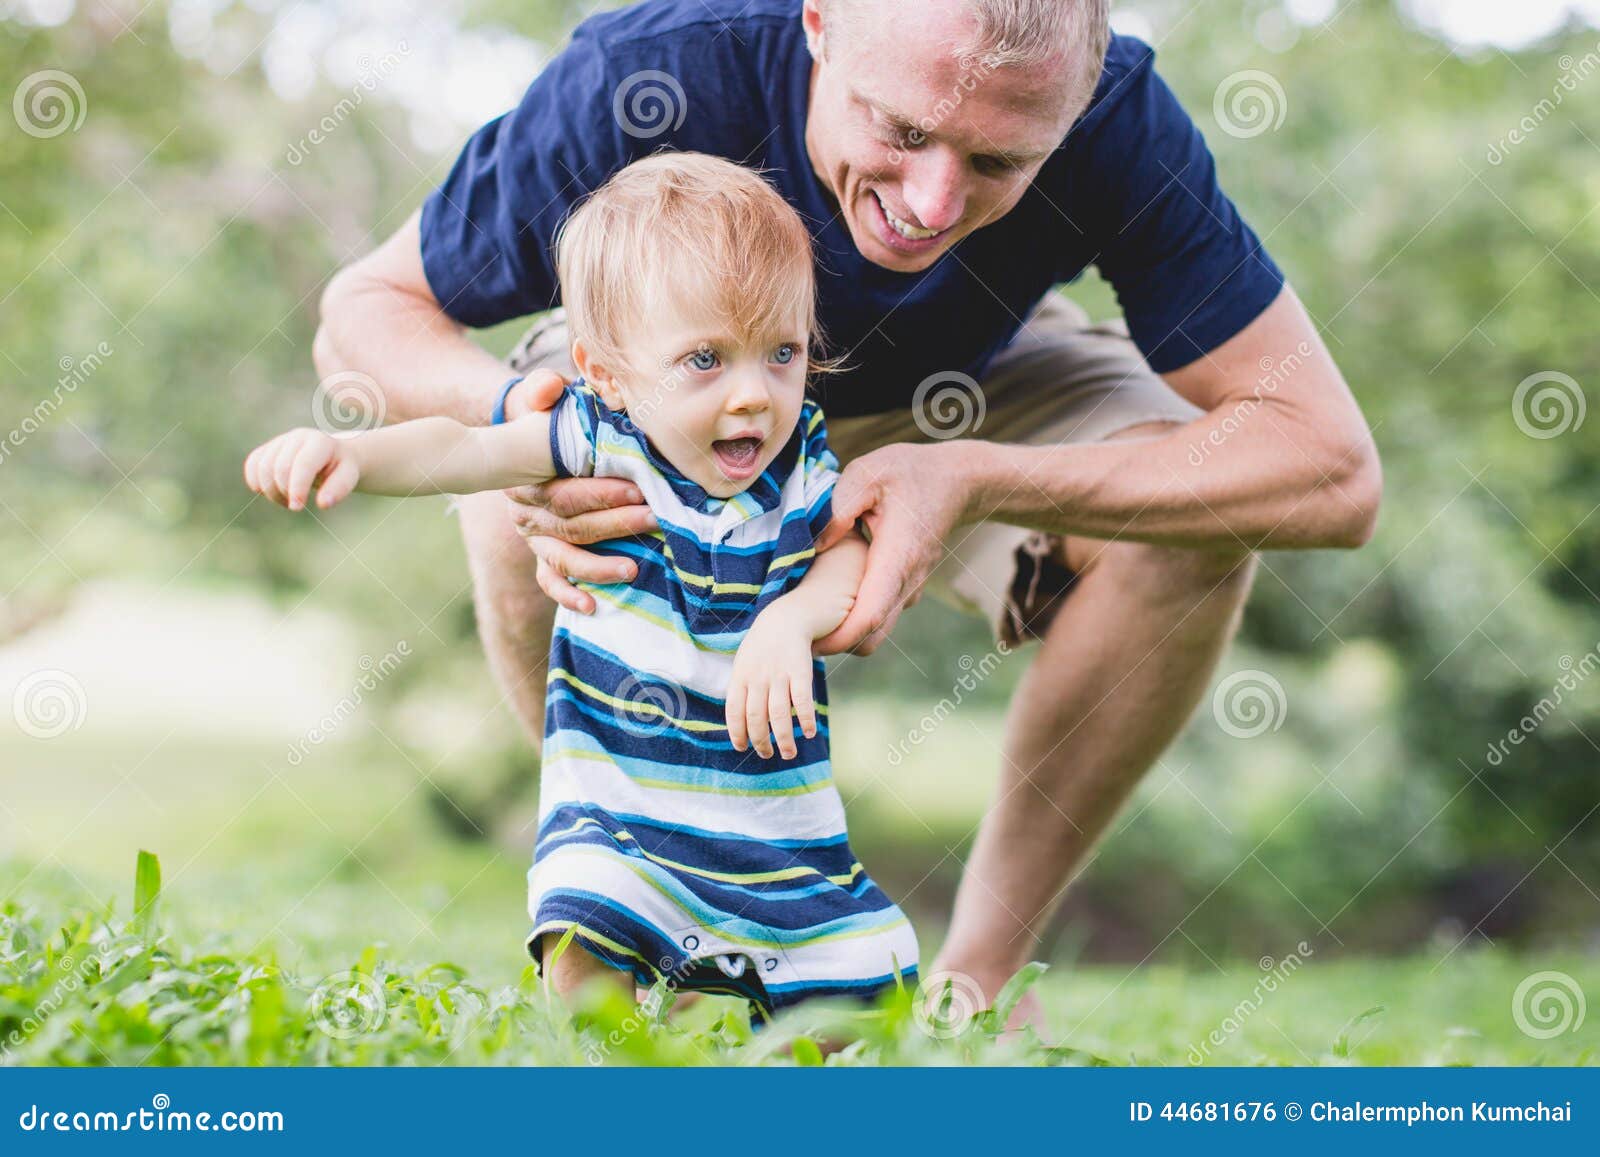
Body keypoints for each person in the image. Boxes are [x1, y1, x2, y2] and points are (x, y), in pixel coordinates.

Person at [312, 0, 1381, 1025]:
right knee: (517, 500)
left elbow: (1329, 469)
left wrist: (972, 476)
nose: (930, 202)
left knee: (1200, 520)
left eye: (999, 161)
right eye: (903, 130)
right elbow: (366, 313)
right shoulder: (654, 71)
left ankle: (975, 979)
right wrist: (512, 425)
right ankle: (631, 897)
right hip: (680, 381)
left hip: (967, 388)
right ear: (820, 19)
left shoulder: (1118, 117)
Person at [247, 153, 919, 1014]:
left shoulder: (796, 469)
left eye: (782, 353)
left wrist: (791, 622)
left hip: (771, 818)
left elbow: (851, 552)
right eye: (705, 360)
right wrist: (350, 452)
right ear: (606, 370)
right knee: (584, 916)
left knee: (841, 990)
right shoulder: (599, 438)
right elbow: (461, 449)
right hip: (619, 801)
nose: (754, 395)